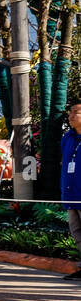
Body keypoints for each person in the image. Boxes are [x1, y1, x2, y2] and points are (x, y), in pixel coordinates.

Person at [62, 101, 81, 280]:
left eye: (76, 112)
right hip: (70, 195)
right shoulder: (67, 138)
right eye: (70, 112)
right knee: (76, 232)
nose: (72, 116)